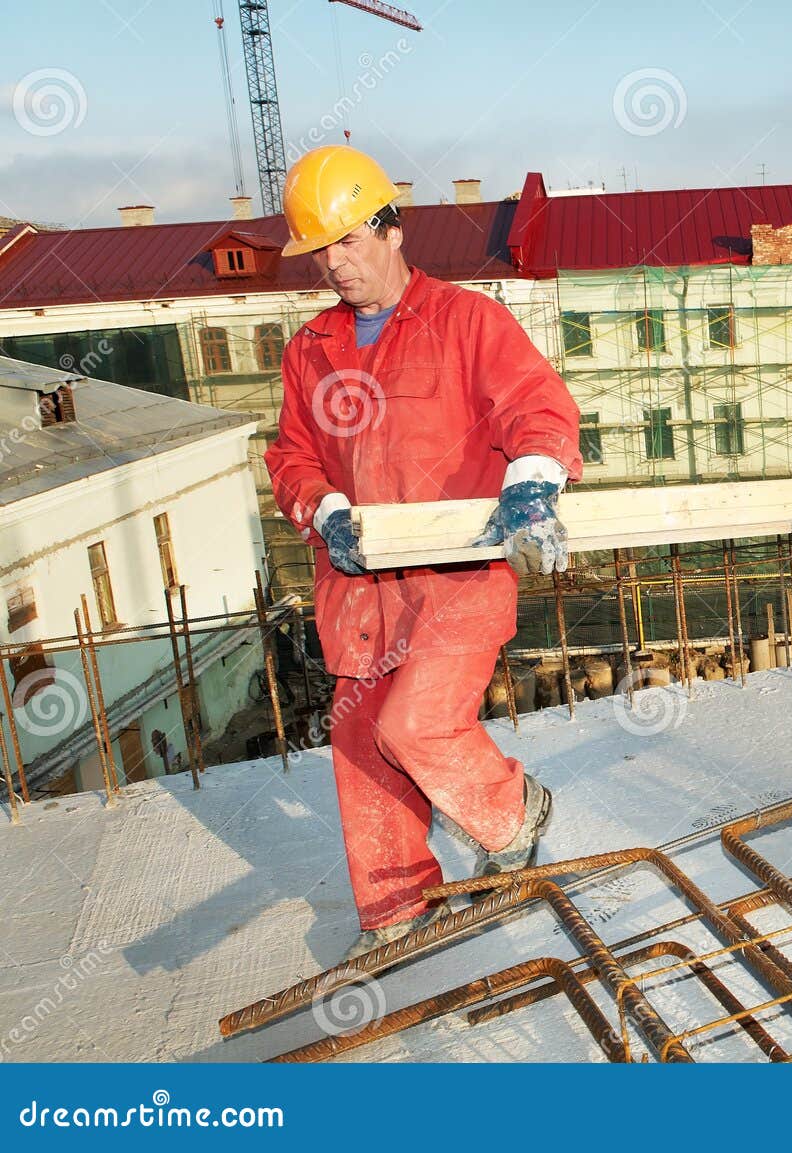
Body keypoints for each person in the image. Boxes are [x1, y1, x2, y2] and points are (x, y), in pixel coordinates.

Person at [264, 146, 582, 958]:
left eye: (348, 242)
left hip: (455, 582)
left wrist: (535, 475)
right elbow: (292, 456)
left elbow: (535, 405)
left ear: (393, 227)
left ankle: (512, 811)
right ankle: (399, 909)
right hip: (360, 591)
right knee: (364, 743)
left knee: (417, 723)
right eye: (321, 250)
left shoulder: (466, 322)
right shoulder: (311, 350)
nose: (335, 265)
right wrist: (322, 506)